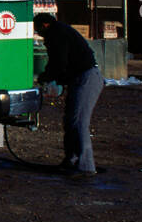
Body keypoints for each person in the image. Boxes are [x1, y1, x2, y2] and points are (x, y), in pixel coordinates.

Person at [34, 12, 104, 175]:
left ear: (44, 25)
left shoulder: (57, 34)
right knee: (71, 120)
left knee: (79, 121)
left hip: (86, 78)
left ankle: (85, 166)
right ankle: (72, 160)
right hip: (81, 78)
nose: (38, 33)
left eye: (38, 29)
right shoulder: (61, 31)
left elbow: (59, 62)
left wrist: (47, 77)